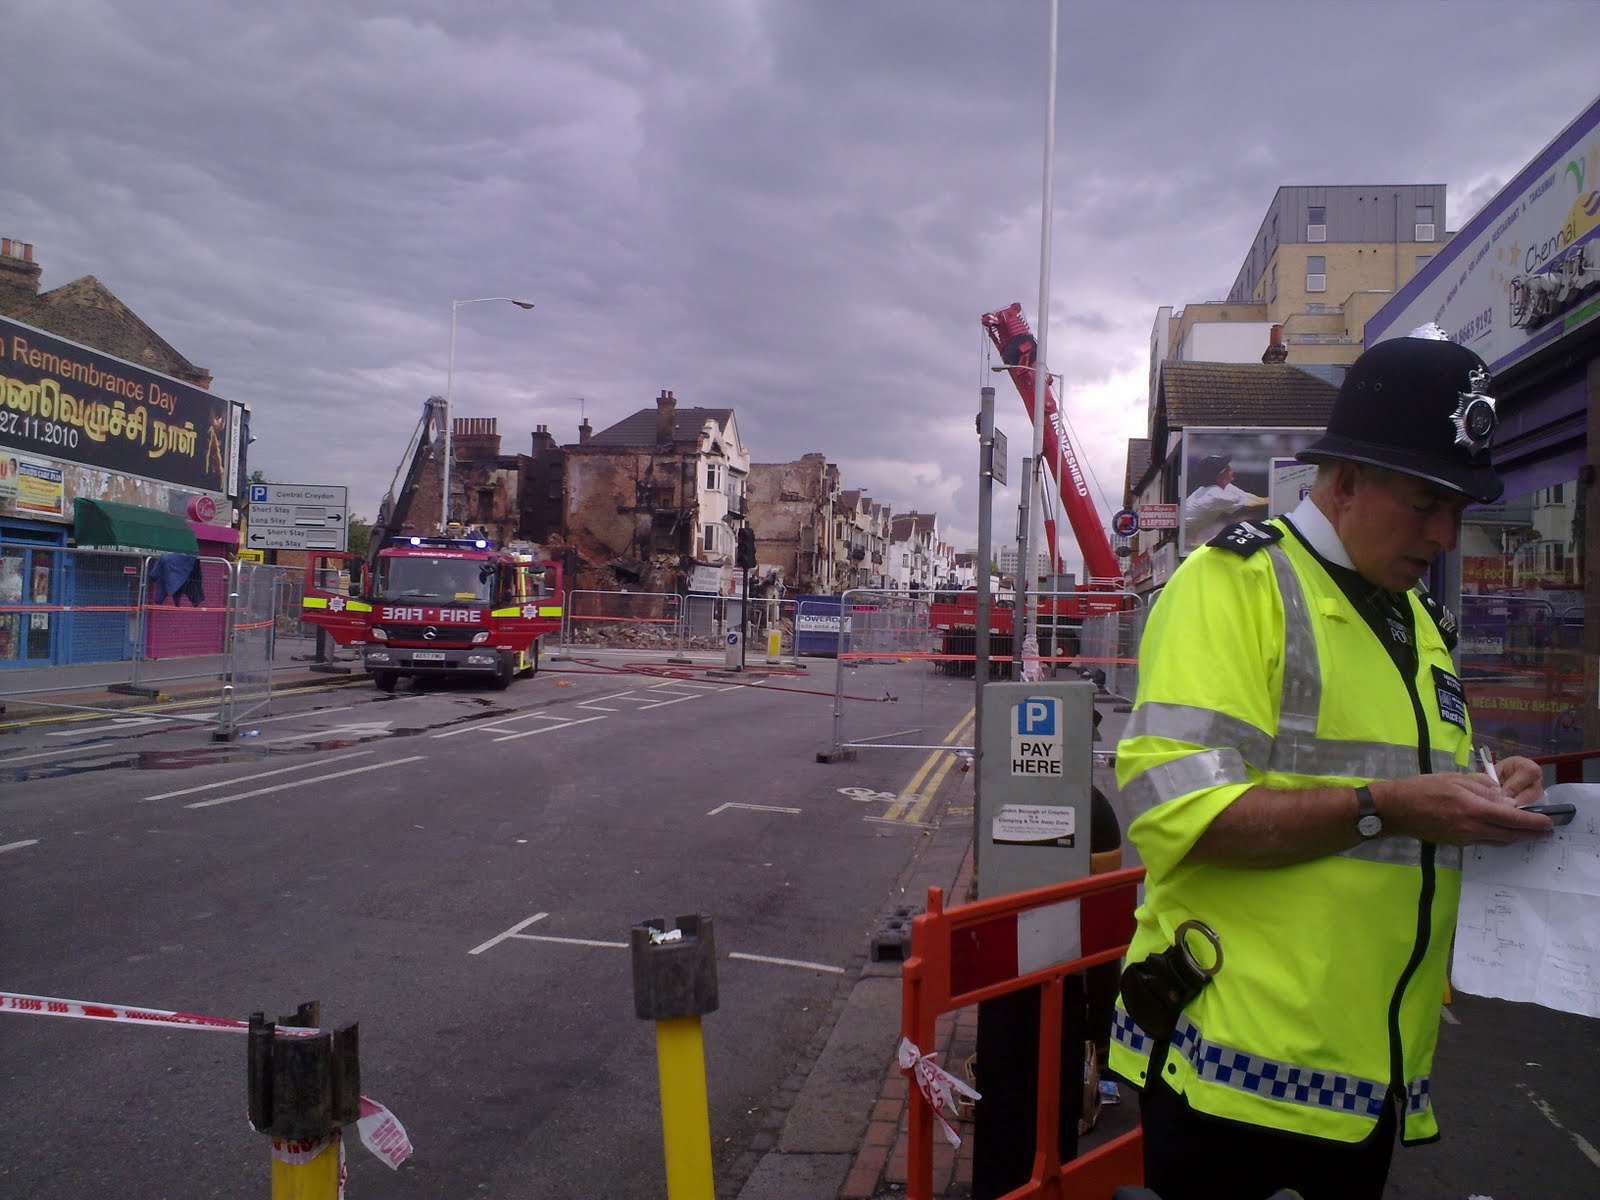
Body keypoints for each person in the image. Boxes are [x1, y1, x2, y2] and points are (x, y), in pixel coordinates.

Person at [1109, 329, 1556, 1200]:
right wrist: (1393, 805)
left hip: (1365, 1078)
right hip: (1237, 1081)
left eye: (1460, 507)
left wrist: (1492, 785)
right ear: (1344, 482)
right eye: (1426, 502)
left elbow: (1418, 775)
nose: (1447, 531)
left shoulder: (1416, 619)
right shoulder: (1233, 584)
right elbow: (1175, 818)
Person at [1182, 454, 1268, 546]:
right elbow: (1254, 505)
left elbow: (1259, 500)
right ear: (1219, 477)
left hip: (1185, 535)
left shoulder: (1223, 487)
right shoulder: (1215, 496)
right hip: (1178, 536)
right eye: (1228, 469)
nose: (1232, 470)